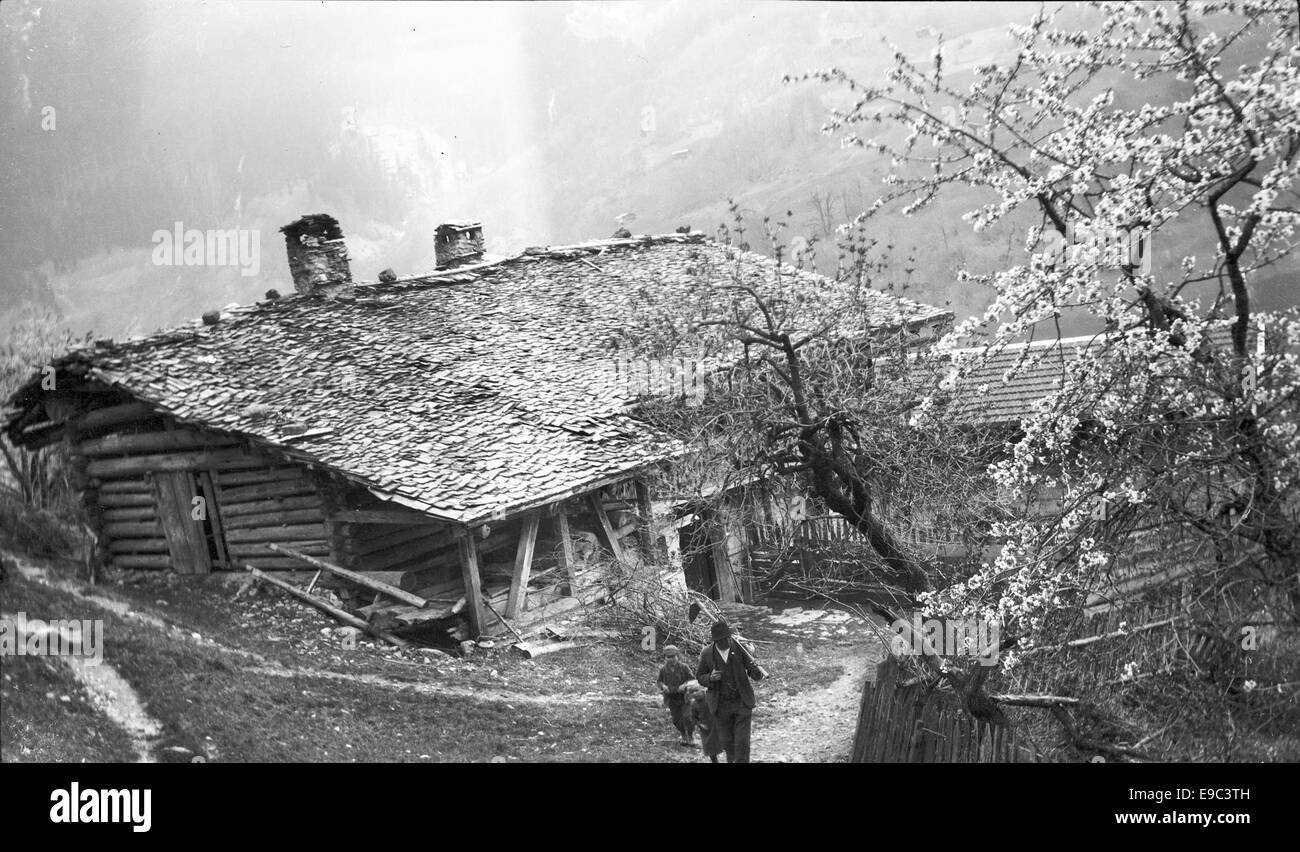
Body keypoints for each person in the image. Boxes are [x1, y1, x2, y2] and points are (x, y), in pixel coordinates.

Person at [696, 620, 764, 763]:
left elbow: (756, 675)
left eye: (726, 638)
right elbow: (700, 676)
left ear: (729, 636)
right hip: (720, 705)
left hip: (741, 702)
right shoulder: (707, 653)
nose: (724, 642)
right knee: (727, 742)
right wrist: (710, 678)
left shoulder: (740, 649)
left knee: (742, 742)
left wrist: (756, 668)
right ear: (715, 640)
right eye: (720, 640)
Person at [657, 644, 695, 745]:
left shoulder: (684, 667)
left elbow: (692, 679)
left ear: (677, 656)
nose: (671, 659)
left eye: (673, 656)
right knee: (676, 720)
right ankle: (683, 735)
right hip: (672, 698)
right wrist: (663, 686)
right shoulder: (663, 670)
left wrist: (685, 685)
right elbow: (659, 681)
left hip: (684, 698)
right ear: (665, 658)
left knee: (688, 717)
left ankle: (690, 736)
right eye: (668, 657)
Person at [685, 683, 721, 763]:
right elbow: (693, 717)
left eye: (696, 690)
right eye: (692, 692)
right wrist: (700, 724)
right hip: (705, 728)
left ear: (702, 690)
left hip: (716, 724)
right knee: (709, 747)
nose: (694, 693)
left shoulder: (710, 698)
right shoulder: (694, 704)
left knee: (724, 743)